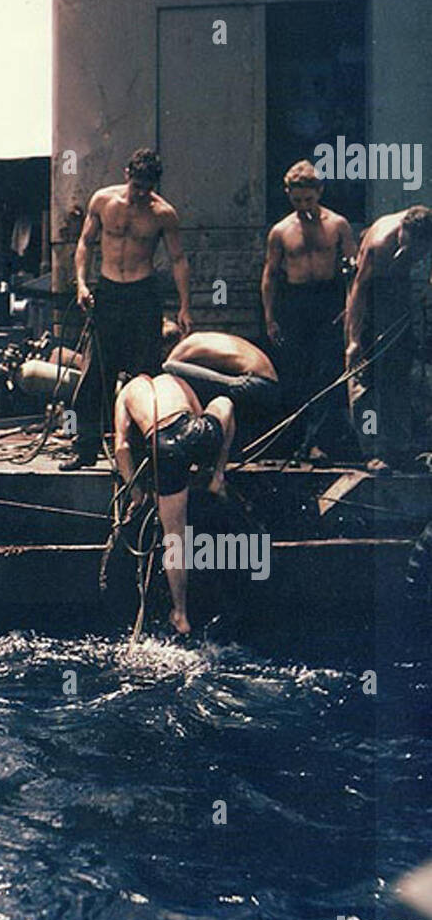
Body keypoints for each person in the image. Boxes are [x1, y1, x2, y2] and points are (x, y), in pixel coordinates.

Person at [62, 147, 192, 469]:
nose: (139, 194)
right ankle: (85, 447)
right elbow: (85, 243)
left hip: (142, 294)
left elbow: (178, 259)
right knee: (95, 373)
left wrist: (185, 306)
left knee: (144, 373)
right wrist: (80, 283)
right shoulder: (103, 201)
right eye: (136, 186)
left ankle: (141, 449)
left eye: (146, 189)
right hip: (108, 293)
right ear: (126, 175)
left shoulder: (163, 214)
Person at [114, 372, 235, 634]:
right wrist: (205, 466)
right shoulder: (175, 380)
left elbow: (121, 447)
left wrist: (136, 493)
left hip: (163, 446)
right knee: (225, 402)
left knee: (175, 539)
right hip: (194, 430)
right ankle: (217, 477)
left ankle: (180, 614)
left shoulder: (126, 392)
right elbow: (200, 414)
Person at [261, 161, 355, 460]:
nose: (303, 206)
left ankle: (320, 443)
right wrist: (270, 317)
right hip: (295, 302)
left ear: (320, 192)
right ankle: (296, 441)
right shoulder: (281, 231)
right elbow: (270, 275)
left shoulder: (338, 224)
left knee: (327, 372)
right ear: (288, 194)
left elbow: (354, 271)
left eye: (309, 199)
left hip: (328, 300)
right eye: (297, 200)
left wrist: (350, 306)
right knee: (295, 372)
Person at [345, 205, 432, 470]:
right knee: (365, 377)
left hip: (397, 291)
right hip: (367, 296)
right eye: (402, 244)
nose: (403, 252)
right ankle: (371, 451)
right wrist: (354, 340)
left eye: (414, 252)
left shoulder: (425, 232)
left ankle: (398, 448)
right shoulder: (381, 245)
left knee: (397, 369)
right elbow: (358, 294)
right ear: (401, 231)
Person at [162, 321, 281, 416]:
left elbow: (168, 370)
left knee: (169, 368)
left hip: (255, 384)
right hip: (268, 385)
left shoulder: (184, 346)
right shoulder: (204, 339)